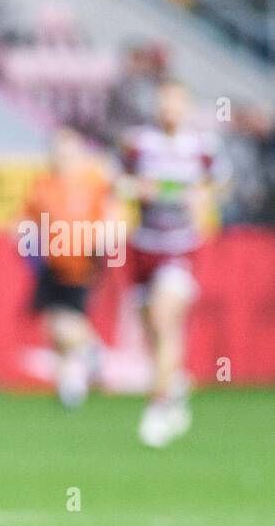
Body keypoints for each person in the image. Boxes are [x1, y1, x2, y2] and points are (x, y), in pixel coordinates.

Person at [119, 81, 228, 447]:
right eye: (163, 102)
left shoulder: (201, 147)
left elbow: (220, 184)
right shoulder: (139, 143)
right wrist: (135, 188)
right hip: (144, 244)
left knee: (166, 318)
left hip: (180, 246)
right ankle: (175, 383)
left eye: (175, 103)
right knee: (150, 326)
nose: (169, 109)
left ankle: (158, 406)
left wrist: (203, 198)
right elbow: (119, 180)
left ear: (186, 107)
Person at [19, 128, 116, 407]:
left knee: (66, 319)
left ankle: (92, 353)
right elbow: (28, 222)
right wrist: (30, 252)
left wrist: (105, 243)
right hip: (52, 262)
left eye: (67, 146)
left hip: (82, 260)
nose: (61, 153)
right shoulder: (43, 184)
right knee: (53, 324)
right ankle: (71, 383)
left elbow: (112, 213)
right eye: (57, 146)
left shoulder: (92, 181)